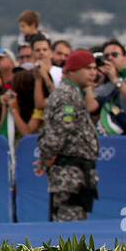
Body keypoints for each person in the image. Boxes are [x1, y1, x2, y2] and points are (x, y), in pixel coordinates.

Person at [36, 49, 100, 221]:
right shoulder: (67, 96)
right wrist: (47, 157)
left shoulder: (73, 93)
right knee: (68, 232)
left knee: (75, 225)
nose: (93, 72)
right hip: (69, 175)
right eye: (88, 68)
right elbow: (59, 132)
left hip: (77, 174)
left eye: (94, 68)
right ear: (72, 71)